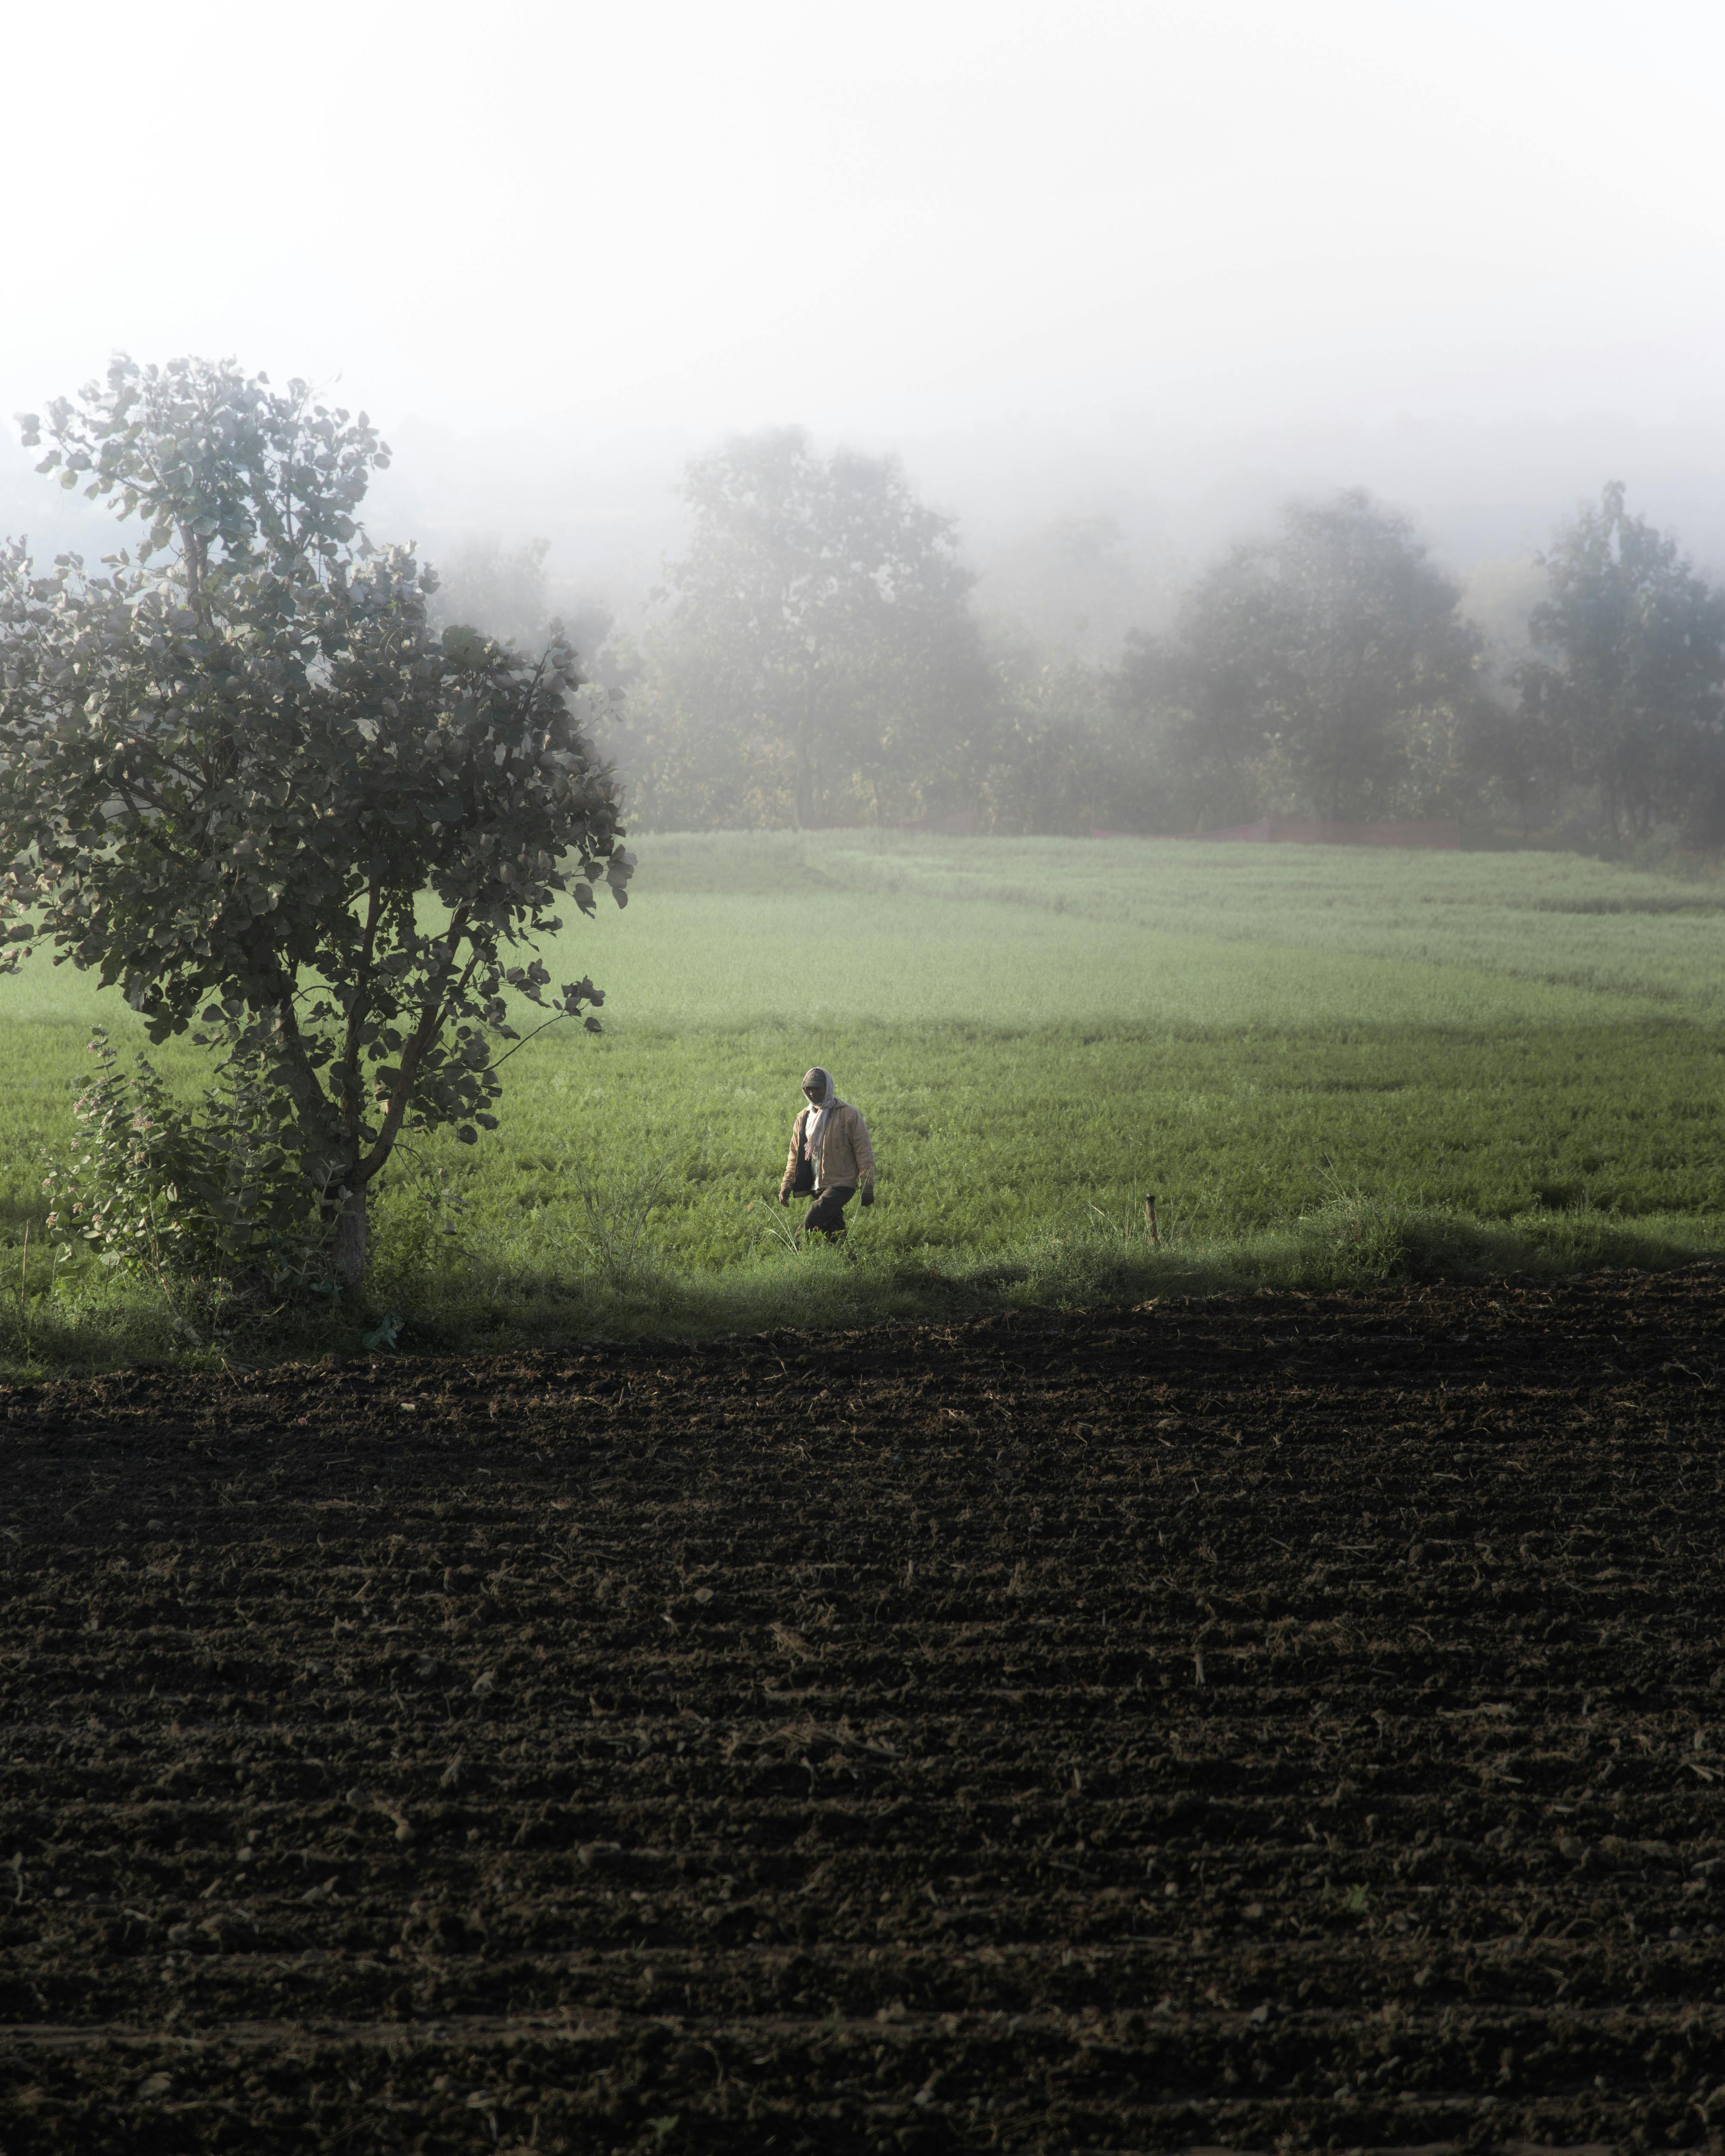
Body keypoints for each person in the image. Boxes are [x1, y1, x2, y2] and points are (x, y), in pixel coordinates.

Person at [778, 1066, 875, 1238]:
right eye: (809, 1088)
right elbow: (795, 1155)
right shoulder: (803, 1117)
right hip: (816, 1184)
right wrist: (787, 1184)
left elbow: (864, 1152)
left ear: (828, 1087)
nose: (813, 1092)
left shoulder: (848, 1115)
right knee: (835, 1234)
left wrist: (867, 1186)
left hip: (842, 1183)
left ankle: (794, 1252)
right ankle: (849, 1263)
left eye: (817, 1088)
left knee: (812, 1219)